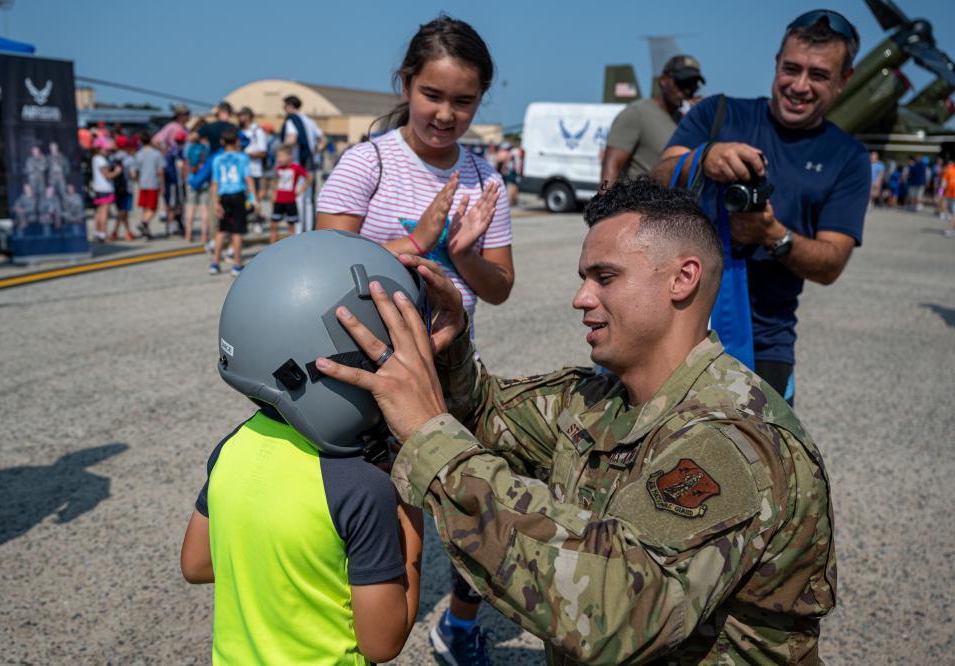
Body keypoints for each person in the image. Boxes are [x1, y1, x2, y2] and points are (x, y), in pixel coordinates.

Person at [316, 176, 837, 664]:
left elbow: (620, 612)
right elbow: (487, 417)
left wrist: (430, 438)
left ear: (683, 279)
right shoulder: (600, 398)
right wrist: (448, 351)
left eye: (604, 278)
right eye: (584, 279)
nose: (581, 298)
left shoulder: (734, 438)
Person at [316, 17, 512, 664]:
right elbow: (319, 266)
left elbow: (501, 283)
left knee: (473, 508)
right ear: (406, 83)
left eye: (464, 101)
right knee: (390, 521)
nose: (446, 114)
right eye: (433, 95)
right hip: (370, 373)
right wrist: (414, 245)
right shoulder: (367, 161)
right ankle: (370, 636)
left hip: (452, 372)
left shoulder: (486, 179)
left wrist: (464, 256)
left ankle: (457, 624)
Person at [181, 232, 426, 664]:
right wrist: (412, 511)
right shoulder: (362, 489)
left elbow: (197, 565)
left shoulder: (233, 447)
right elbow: (382, 643)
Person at [655, 9, 870, 404]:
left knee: (751, 463)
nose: (799, 85)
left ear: (845, 80)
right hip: (672, 324)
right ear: (775, 63)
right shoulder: (717, 114)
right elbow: (656, 179)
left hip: (763, 346)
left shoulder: (849, 158)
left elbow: (831, 264)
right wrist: (704, 159)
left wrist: (774, 236)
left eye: (819, 75)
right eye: (791, 68)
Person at [601, 55, 705, 188]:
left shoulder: (684, 121)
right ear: (662, 80)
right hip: (639, 204)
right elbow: (612, 165)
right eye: (682, 83)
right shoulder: (636, 113)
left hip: (673, 205)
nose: (688, 90)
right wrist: (604, 205)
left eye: (694, 85)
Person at [209, 128, 257, 276]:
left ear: (222, 142)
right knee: (237, 231)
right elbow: (248, 179)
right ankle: (236, 264)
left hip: (224, 196)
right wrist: (254, 198)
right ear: (237, 141)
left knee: (222, 230)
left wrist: (215, 202)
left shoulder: (217, 159)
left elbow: (215, 182)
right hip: (237, 195)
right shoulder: (242, 157)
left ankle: (215, 263)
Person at [281, 95, 326, 231]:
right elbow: (323, 140)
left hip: (297, 163)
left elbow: (292, 138)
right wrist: (314, 152)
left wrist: (281, 149)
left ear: (289, 106)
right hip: (310, 162)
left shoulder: (291, 120)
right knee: (308, 200)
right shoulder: (309, 121)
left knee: (298, 197)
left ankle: (298, 232)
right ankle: (308, 229)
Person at [269, 145, 310, 243]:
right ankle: (271, 247)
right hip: (278, 201)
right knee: (273, 225)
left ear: (290, 156)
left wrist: (300, 189)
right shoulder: (278, 168)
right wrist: (273, 194)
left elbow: (309, 177)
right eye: (278, 157)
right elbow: (275, 181)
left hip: (290, 201)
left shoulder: (296, 168)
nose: (279, 159)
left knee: (291, 227)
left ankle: (291, 246)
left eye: (281, 156)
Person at [238, 107, 268, 232]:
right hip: (241, 172)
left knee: (254, 198)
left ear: (248, 116)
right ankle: (245, 221)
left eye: (242, 115)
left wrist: (247, 155)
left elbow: (263, 152)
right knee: (243, 199)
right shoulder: (239, 131)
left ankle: (257, 221)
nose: (240, 118)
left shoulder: (258, 131)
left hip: (254, 171)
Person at [132, 131, 166, 240]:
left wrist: (138, 180)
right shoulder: (156, 154)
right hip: (153, 183)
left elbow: (133, 172)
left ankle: (146, 231)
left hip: (143, 184)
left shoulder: (138, 154)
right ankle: (144, 223)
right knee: (153, 208)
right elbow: (161, 171)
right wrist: (162, 184)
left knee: (145, 208)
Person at [91, 135, 121, 242]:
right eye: (106, 149)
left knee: (98, 212)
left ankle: (98, 232)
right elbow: (107, 175)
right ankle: (103, 234)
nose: (108, 151)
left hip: (98, 188)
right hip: (105, 189)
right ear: (99, 148)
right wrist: (117, 171)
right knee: (104, 213)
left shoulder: (95, 158)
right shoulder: (101, 160)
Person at [183, 128, 211, 244]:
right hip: (204, 180)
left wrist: (186, 178)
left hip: (191, 180)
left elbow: (186, 164)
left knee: (190, 208)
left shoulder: (188, 147)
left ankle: (188, 234)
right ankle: (204, 235)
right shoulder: (207, 147)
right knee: (204, 209)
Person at [164, 131, 187, 236]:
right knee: (174, 204)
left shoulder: (170, 150)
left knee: (172, 204)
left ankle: (173, 224)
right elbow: (181, 166)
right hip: (174, 181)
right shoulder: (178, 151)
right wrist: (184, 179)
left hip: (169, 180)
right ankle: (172, 226)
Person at [941, 158, 955, 235]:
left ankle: (950, 229)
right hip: (949, 195)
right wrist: (940, 193)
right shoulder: (949, 168)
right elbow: (944, 181)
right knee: (950, 212)